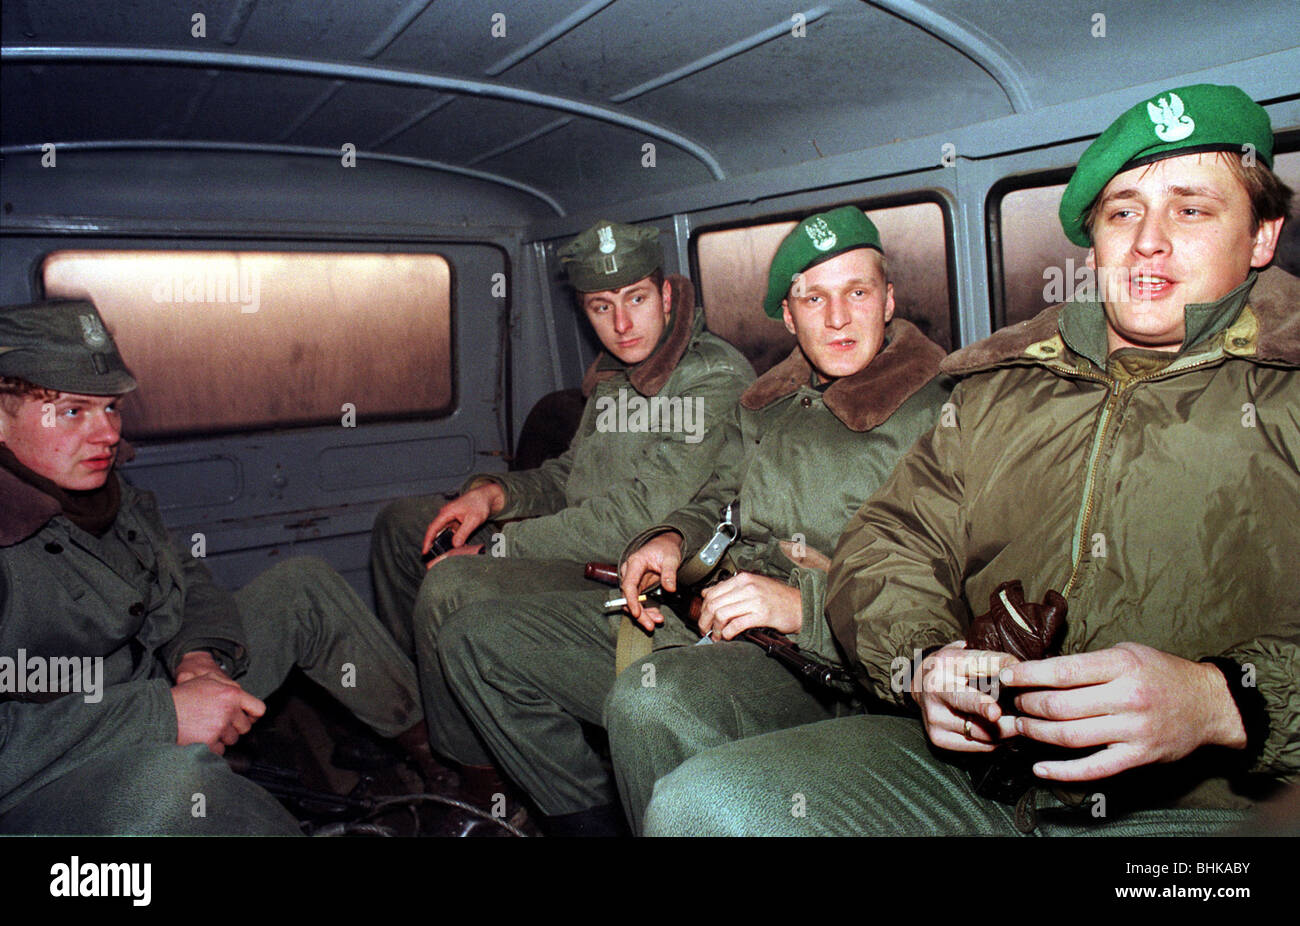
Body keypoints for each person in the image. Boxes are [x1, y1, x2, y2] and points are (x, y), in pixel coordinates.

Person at [641, 83, 1298, 836]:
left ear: (1261, 237)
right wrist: (927, 659)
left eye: (1191, 209)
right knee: (703, 804)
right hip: (975, 769)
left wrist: (1226, 701)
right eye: (1123, 212)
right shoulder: (1005, 384)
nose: (1148, 240)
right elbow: (892, 542)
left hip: (1203, 805)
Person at [437, 206, 950, 834]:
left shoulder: (945, 419)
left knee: (651, 700)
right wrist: (672, 536)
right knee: (477, 638)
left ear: (889, 299)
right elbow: (719, 498)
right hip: (722, 617)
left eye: (857, 291)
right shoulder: (769, 404)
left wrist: (804, 605)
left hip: (837, 668)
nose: (837, 317)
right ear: (788, 317)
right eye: (812, 298)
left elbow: (944, 590)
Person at [0, 300, 434, 835]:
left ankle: (445, 763)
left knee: (303, 587)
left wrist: (198, 658)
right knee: (182, 789)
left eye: (111, 407)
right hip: (52, 766)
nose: (108, 433)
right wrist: (166, 716)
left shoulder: (102, 493)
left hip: (151, 680)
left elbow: (186, 578)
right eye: (73, 411)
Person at [371, 220, 752, 801]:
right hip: (582, 542)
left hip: (631, 568)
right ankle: (425, 721)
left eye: (637, 300)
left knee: (452, 584)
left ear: (667, 294)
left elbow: (637, 515)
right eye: (602, 307)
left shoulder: (710, 379)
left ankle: (479, 780)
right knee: (404, 524)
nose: (621, 324)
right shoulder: (616, 375)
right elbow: (571, 477)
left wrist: (503, 546)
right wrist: (494, 496)